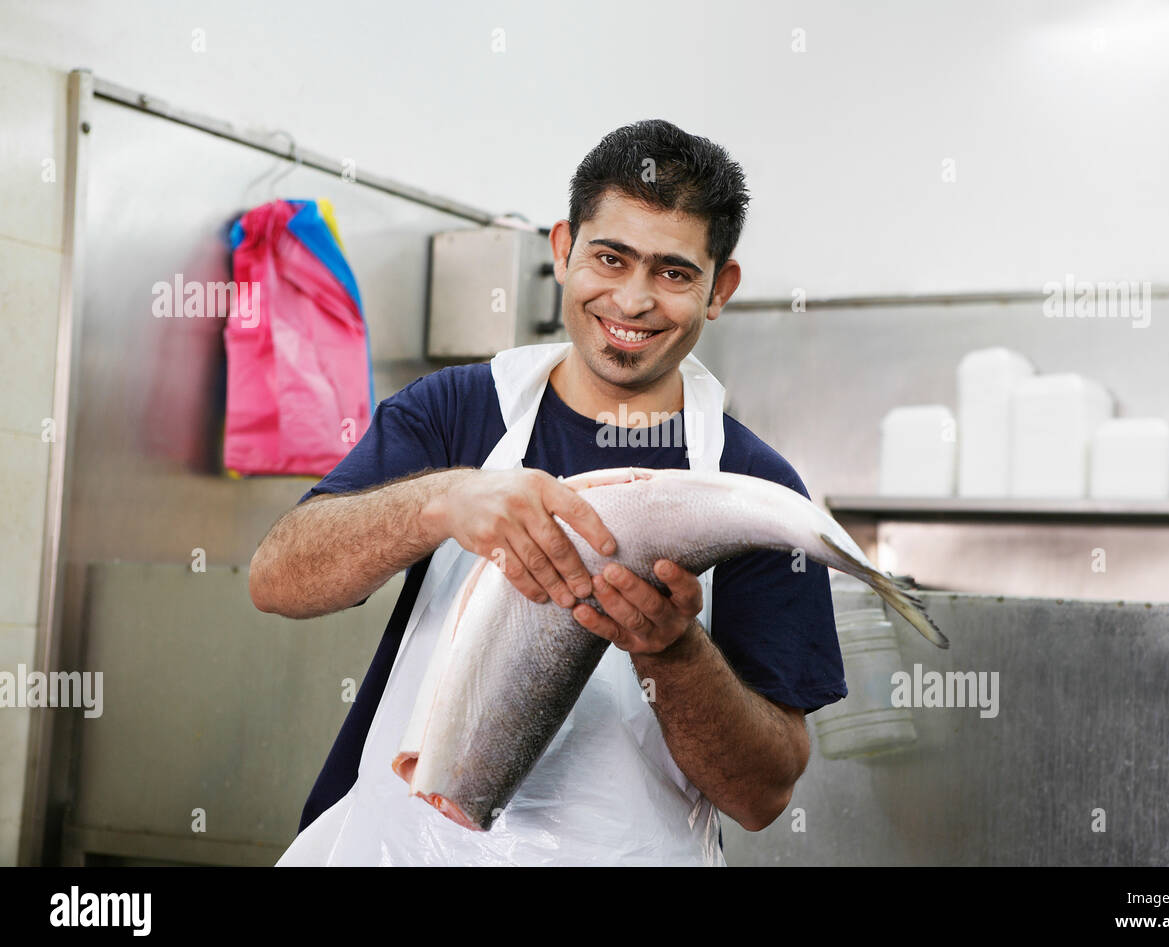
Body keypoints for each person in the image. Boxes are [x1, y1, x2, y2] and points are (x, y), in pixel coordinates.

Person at [250, 119, 847, 865]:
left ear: (719, 288)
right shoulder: (456, 413)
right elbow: (277, 581)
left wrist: (674, 651)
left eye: (672, 272)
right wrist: (441, 501)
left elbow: (761, 796)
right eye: (610, 257)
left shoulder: (753, 492)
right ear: (562, 251)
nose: (632, 302)